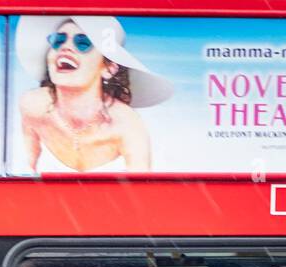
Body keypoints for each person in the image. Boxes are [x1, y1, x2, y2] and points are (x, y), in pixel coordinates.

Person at [15, 16, 173, 173]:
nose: (65, 48)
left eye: (83, 43)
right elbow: (25, 171)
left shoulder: (127, 126)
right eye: (58, 40)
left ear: (108, 69)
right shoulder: (32, 105)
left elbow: (143, 190)